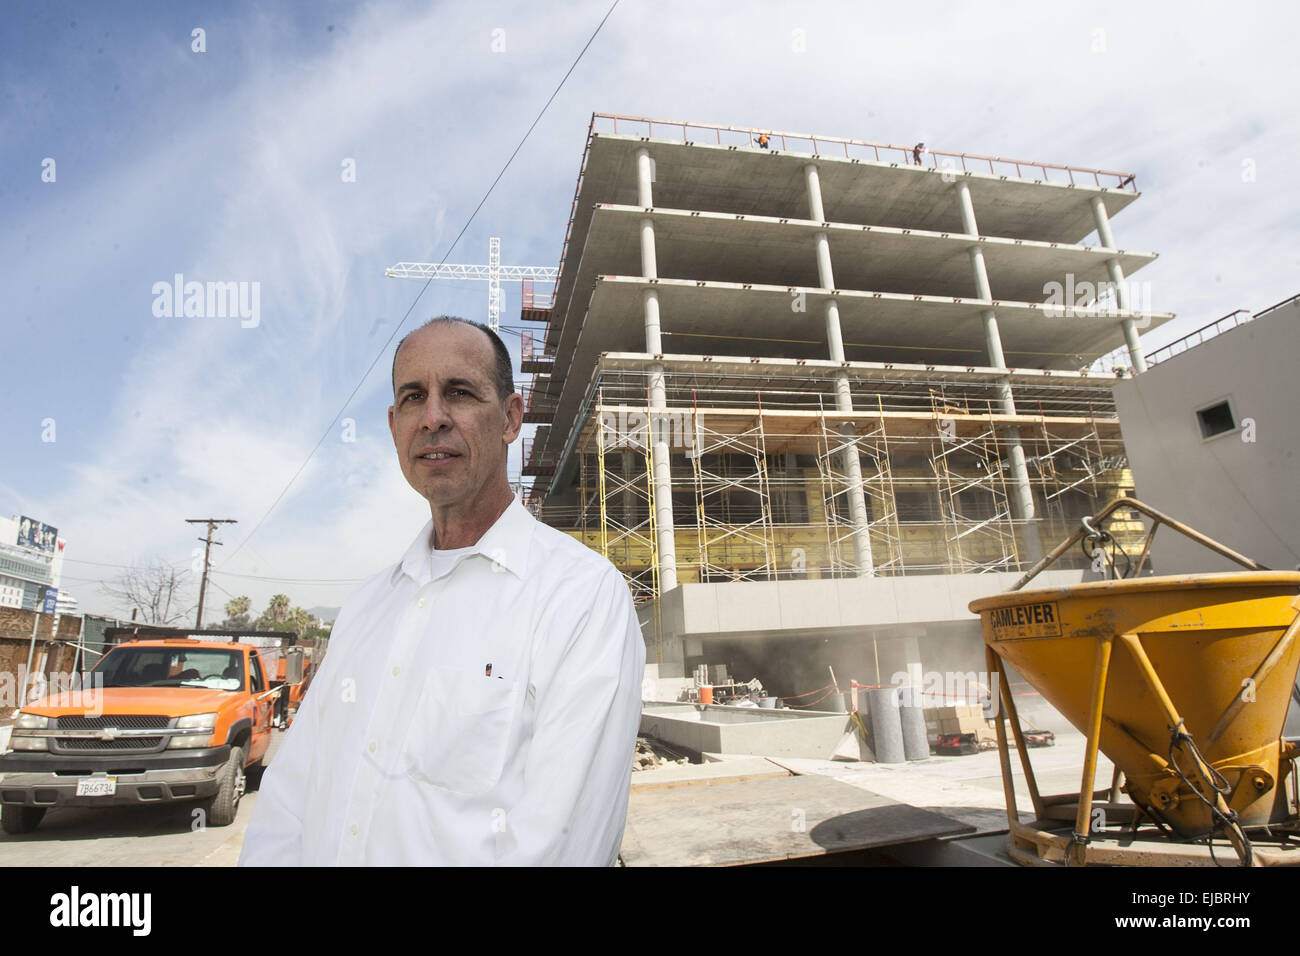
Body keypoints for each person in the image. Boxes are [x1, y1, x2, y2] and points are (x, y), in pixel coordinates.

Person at [238, 316, 645, 866]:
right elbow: (289, 803)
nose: (433, 418)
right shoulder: (365, 608)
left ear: (510, 417)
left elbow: (562, 845)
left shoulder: (580, 598)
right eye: (413, 397)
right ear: (393, 425)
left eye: (459, 392)